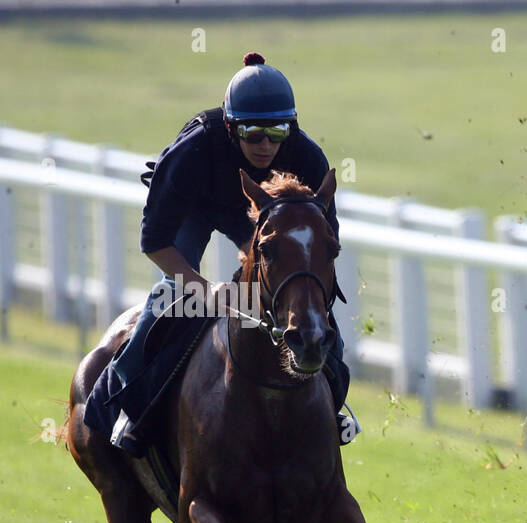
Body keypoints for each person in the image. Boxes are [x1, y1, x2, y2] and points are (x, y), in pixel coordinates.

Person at [89, 51, 355, 453]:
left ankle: (334, 404)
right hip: (197, 207)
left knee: (308, 301)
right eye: (252, 133)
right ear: (231, 128)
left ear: (292, 128)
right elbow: (155, 242)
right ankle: (126, 398)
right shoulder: (193, 149)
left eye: (278, 132)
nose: (266, 145)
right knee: (175, 298)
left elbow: (322, 248)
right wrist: (201, 288)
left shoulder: (308, 157)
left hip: (265, 214)